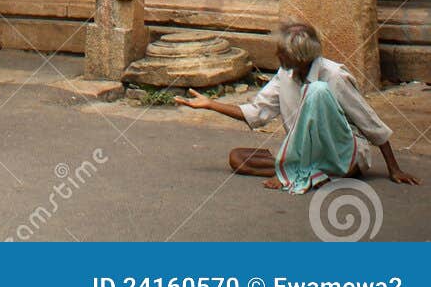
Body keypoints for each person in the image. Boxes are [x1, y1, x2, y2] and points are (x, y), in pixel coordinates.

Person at [176, 21, 420, 193]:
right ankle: (307, 172)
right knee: (237, 158)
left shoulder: (334, 76)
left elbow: (370, 123)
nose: (277, 54)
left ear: (299, 56)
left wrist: (394, 168)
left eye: (282, 51)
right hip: (308, 155)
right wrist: (210, 105)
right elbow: (255, 112)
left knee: (318, 91)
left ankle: (299, 173)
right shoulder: (285, 75)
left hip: (342, 155)